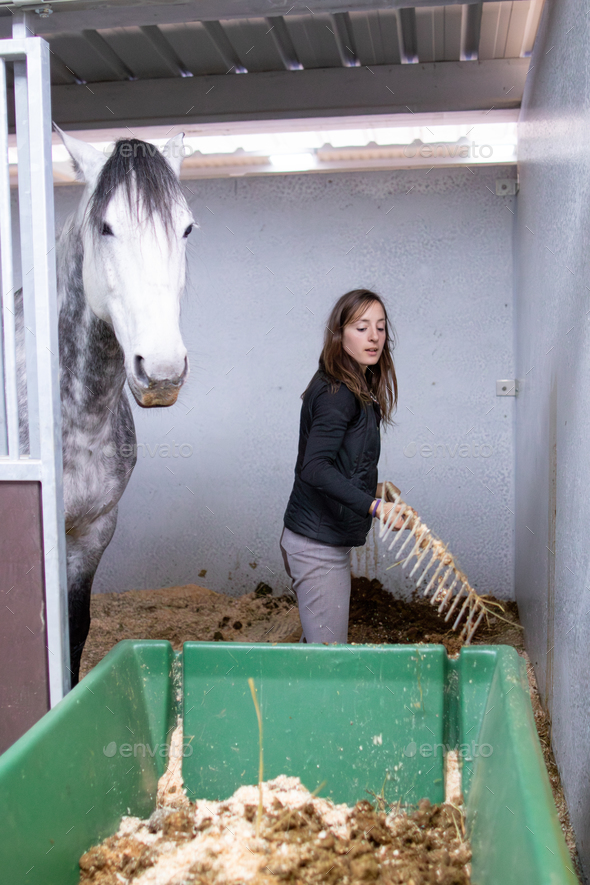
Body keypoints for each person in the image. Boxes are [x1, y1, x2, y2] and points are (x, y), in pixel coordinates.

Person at [280, 288, 413, 644]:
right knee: (328, 659)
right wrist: (375, 507)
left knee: (320, 649)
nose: (374, 337)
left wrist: (376, 490)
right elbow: (315, 468)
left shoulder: (358, 386)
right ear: (339, 335)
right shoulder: (337, 393)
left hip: (322, 541)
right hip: (316, 547)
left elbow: (340, 465)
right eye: (361, 327)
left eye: (381, 328)